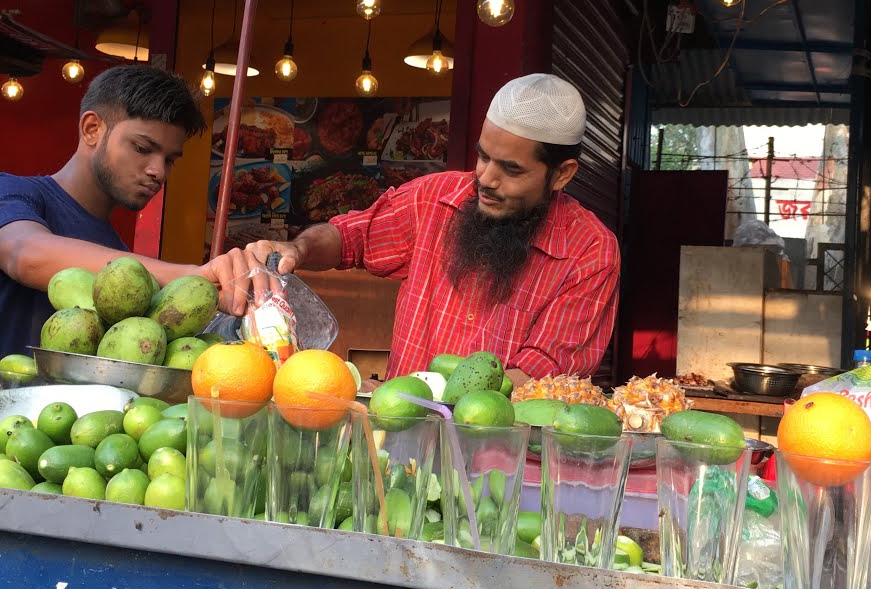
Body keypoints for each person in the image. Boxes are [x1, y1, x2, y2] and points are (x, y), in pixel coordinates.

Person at [241, 74, 620, 388]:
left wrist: (420, 406)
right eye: (483, 156)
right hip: (399, 437)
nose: (485, 179)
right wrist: (298, 247)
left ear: (562, 174)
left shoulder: (590, 251)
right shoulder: (434, 197)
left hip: (500, 457)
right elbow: (350, 237)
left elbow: (538, 379)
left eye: (511, 169)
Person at [0, 65, 260, 388]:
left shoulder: (116, 249)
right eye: (142, 148)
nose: (158, 171)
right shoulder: (3, 195)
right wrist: (192, 277)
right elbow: (25, 255)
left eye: (170, 159)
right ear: (92, 129)